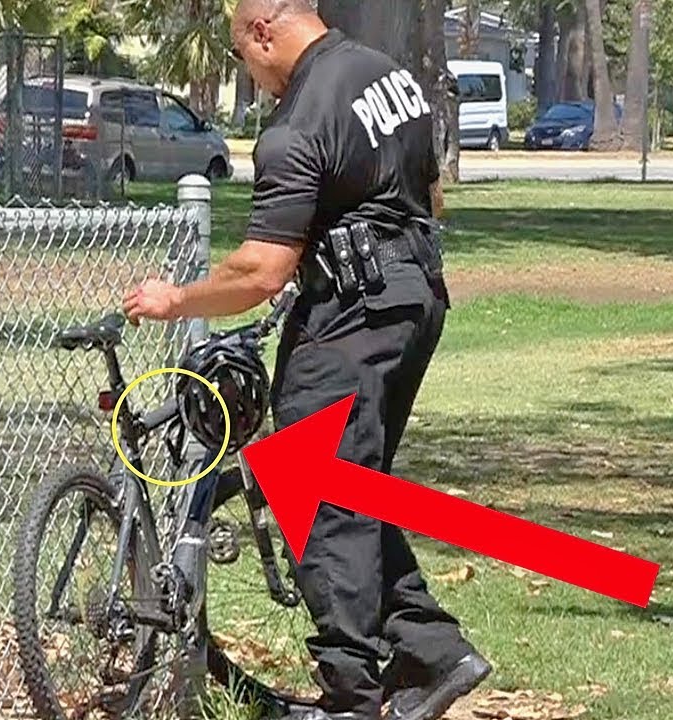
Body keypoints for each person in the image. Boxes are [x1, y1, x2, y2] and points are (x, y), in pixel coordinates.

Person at [121, 1, 491, 718]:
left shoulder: (297, 123)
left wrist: (176, 300)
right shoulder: (388, 78)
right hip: (416, 299)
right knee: (349, 484)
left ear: (263, 32)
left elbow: (259, 270)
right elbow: (431, 196)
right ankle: (429, 650)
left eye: (240, 55)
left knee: (312, 488)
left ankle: (352, 694)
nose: (250, 74)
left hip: (353, 313)